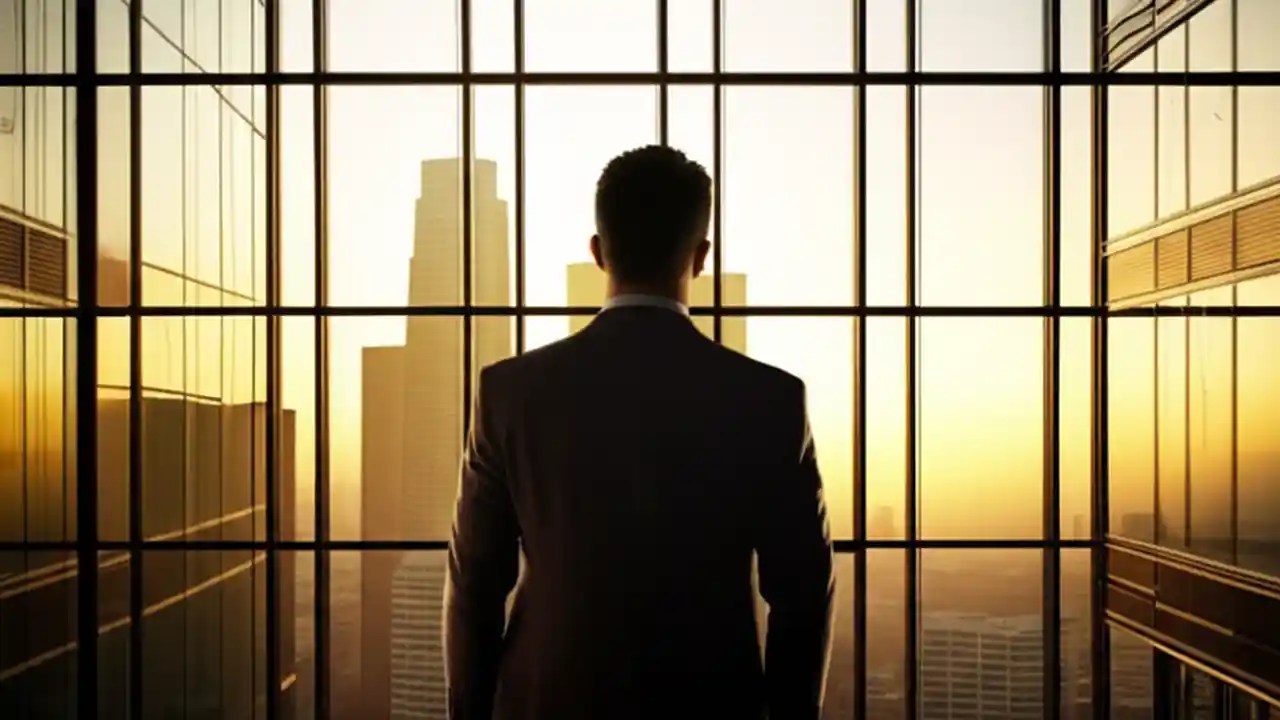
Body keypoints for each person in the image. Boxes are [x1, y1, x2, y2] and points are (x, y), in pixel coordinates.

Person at [444, 145, 834, 720]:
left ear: (599, 253)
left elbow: (475, 586)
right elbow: (803, 596)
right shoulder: (770, 400)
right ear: (701, 257)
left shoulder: (509, 393)